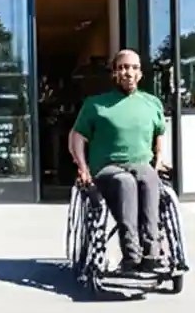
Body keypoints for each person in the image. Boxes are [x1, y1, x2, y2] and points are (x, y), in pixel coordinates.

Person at [68, 49, 169, 272]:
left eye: (133, 68)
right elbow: (77, 137)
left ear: (140, 74)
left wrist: (159, 159)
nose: (128, 73)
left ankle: (152, 251)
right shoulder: (95, 104)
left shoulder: (152, 103)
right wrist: (83, 168)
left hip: (141, 164)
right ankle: (131, 253)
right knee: (125, 182)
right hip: (108, 168)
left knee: (148, 177)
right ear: (114, 73)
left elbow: (160, 134)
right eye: (123, 67)